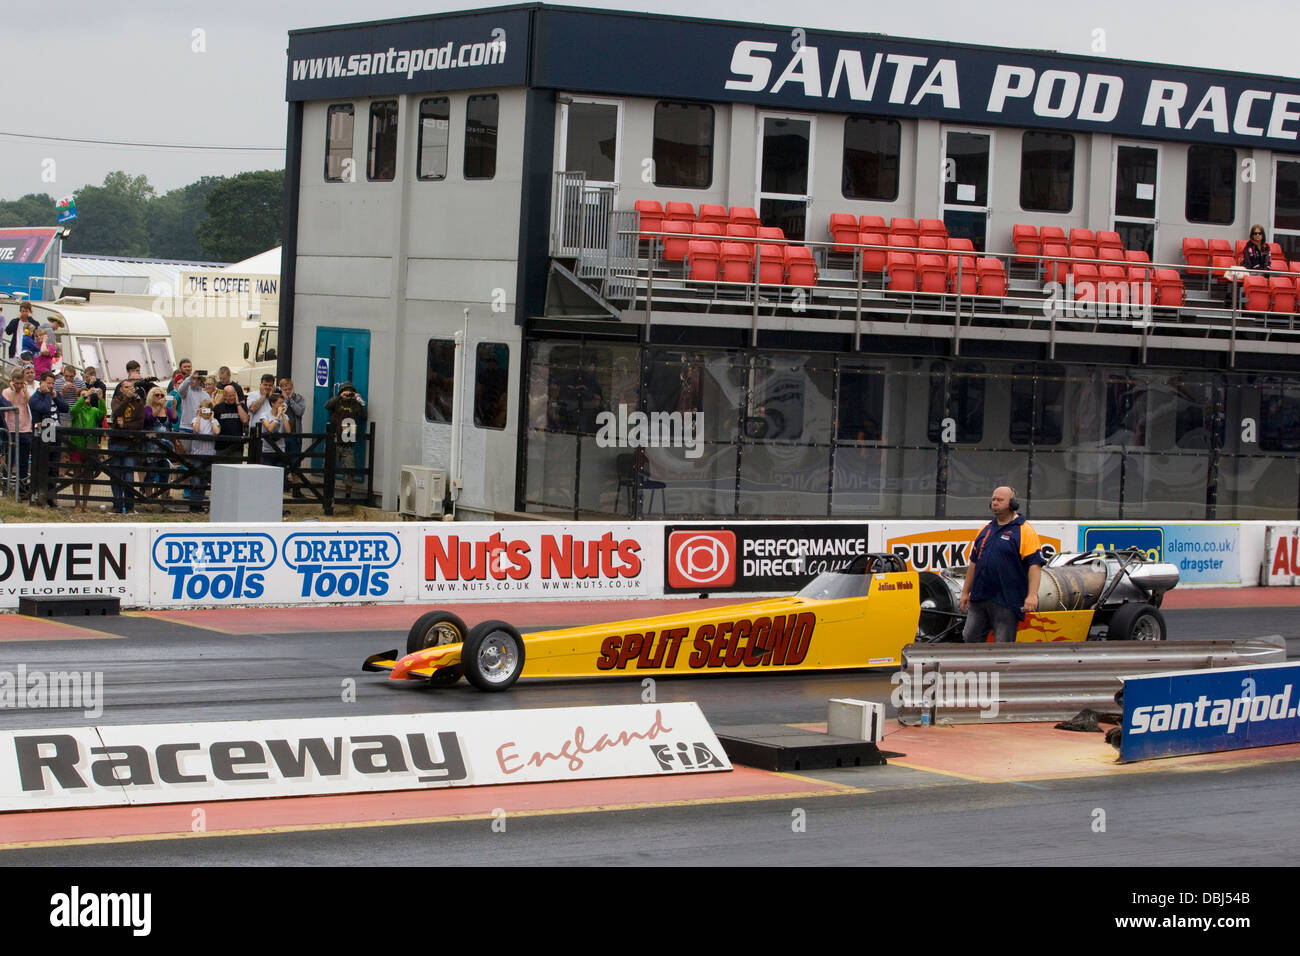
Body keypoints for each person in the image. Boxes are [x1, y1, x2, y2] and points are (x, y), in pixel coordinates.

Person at [958, 486, 1046, 643]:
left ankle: (1000, 668)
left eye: (1000, 500)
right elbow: (973, 564)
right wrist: (965, 592)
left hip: (1007, 600)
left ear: (1012, 503)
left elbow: (1034, 566)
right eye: (993, 500)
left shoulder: (1024, 531)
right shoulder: (985, 530)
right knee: (969, 637)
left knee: (1002, 644)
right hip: (980, 598)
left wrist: (1032, 595)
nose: (995, 503)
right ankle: (977, 667)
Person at [29, 371, 71, 506]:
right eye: (48, 383)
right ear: (41, 382)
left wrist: (56, 397)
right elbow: (44, 408)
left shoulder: (54, 394)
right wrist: (47, 394)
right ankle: (39, 495)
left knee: (54, 465)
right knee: (42, 466)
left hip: (55, 433)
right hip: (42, 435)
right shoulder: (35, 397)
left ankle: (51, 495)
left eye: (53, 383)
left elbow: (65, 408)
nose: (51, 386)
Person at [108, 378, 145, 514]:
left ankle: (130, 506)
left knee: (129, 475)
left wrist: (125, 425)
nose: (130, 389)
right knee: (115, 474)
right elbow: (116, 413)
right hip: (116, 442)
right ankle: (117, 505)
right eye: (127, 387)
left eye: (132, 387)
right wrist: (126, 400)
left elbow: (140, 424)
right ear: (121, 389)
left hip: (130, 443)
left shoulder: (138, 402)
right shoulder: (116, 400)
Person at [324, 381, 366, 499]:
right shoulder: (337, 402)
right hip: (335, 439)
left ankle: (348, 494)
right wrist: (339, 397)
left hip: (348, 441)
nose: (348, 394)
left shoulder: (355, 404)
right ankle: (328, 493)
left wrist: (359, 400)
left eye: (350, 392)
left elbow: (363, 415)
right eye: (345, 392)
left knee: (349, 468)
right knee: (329, 467)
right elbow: (327, 405)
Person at [68, 386, 106, 513]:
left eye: (88, 396)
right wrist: (84, 396)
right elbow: (73, 410)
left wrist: (100, 399)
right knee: (77, 474)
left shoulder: (94, 411)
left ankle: (85, 504)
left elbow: (102, 414)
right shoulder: (76, 411)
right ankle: (77, 503)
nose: (86, 398)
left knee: (88, 476)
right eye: (83, 395)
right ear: (78, 398)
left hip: (90, 446)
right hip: (77, 445)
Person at [141, 386, 178, 505]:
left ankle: (163, 499)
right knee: (151, 473)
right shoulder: (147, 408)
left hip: (165, 446)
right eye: (157, 395)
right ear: (151, 396)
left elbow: (174, 420)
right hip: (152, 446)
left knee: (165, 473)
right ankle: (149, 500)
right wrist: (159, 407)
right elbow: (149, 419)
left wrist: (173, 407)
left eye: (162, 395)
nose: (160, 397)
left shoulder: (166, 409)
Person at [1, 371, 32, 492]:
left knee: (23, 460)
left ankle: (22, 487)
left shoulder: (25, 391)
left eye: (21, 383)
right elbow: (9, 404)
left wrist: (25, 391)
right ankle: (6, 486)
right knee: (9, 459)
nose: (19, 386)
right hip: (11, 428)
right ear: (13, 382)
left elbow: (31, 403)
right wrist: (14, 391)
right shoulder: (7, 392)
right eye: (17, 383)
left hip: (25, 428)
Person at [186, 399, 218, 511]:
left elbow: (217, 431)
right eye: (203, 409)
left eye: (207, 410)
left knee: (205, 480)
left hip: (209, 454)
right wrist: (199, 416)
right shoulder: (195, 419)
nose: (205, 412)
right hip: (197, 454)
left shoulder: (214, 421)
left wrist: (212, 418)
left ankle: (199, 504)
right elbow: (196, 429)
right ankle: (194, 505)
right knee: (196, 480)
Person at [279, 377, 306, 497]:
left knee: (296, 463)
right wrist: (283, 401)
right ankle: (282, 486)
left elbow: (300, 412)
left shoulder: (299, 398)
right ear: (281, 389)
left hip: (295, 434)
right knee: (281, 462)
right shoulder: (277, 400)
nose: (288, 391)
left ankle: (296, 489)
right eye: (285, 389)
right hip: (281, 435)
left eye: (289, 389)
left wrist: (290, 401)